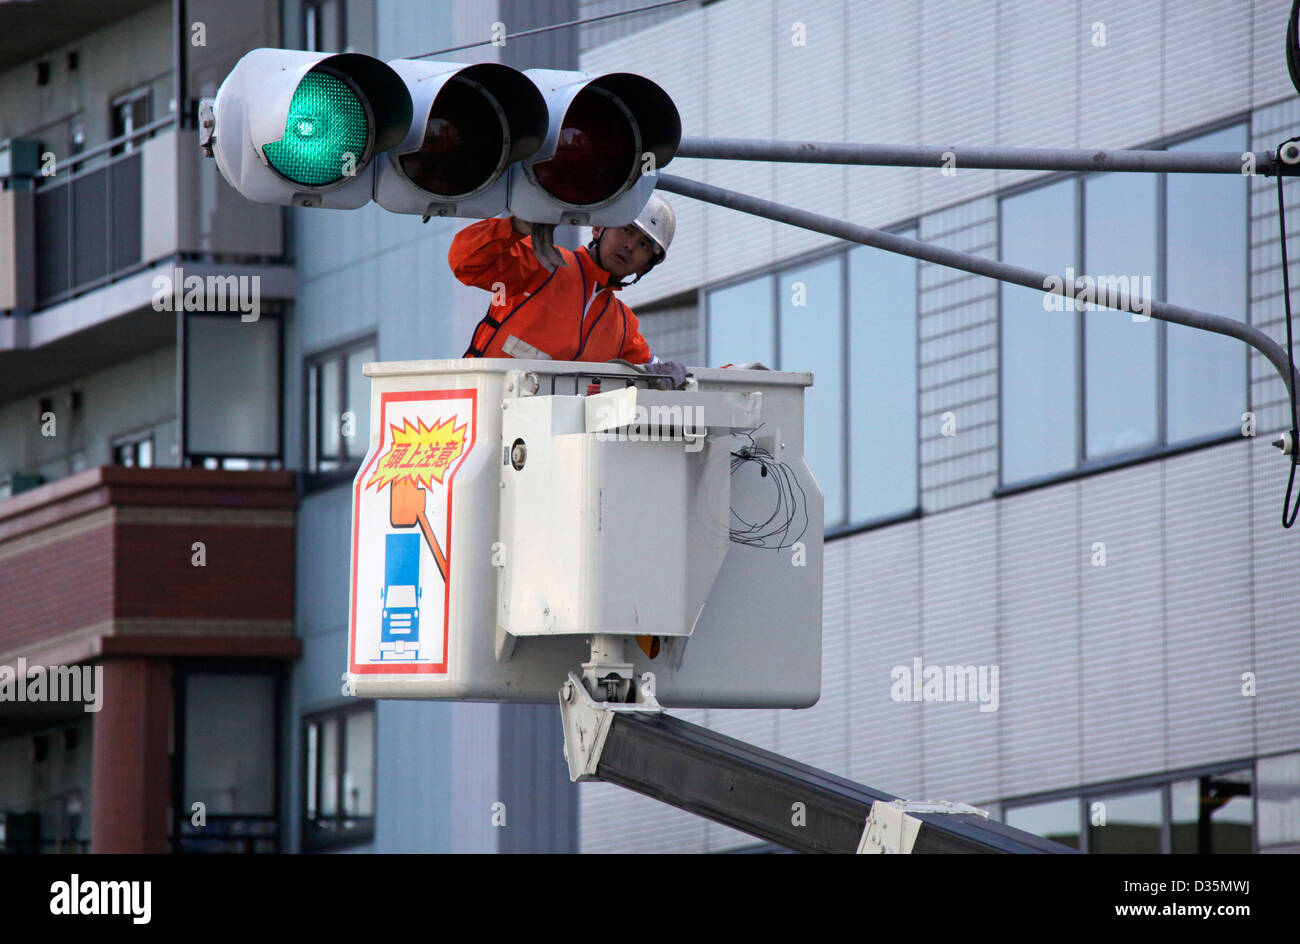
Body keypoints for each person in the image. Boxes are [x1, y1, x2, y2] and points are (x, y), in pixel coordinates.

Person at [448, 194, 689, 388]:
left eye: (644, 245)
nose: (629, 245)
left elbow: (656, 370)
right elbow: (464, 261)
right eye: (626, 230)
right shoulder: (543, 262)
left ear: (646, 265)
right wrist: (516, 226)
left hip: (549, 441)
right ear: (597, 229)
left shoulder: (623, 327)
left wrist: (676, 376)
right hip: (479, 416)